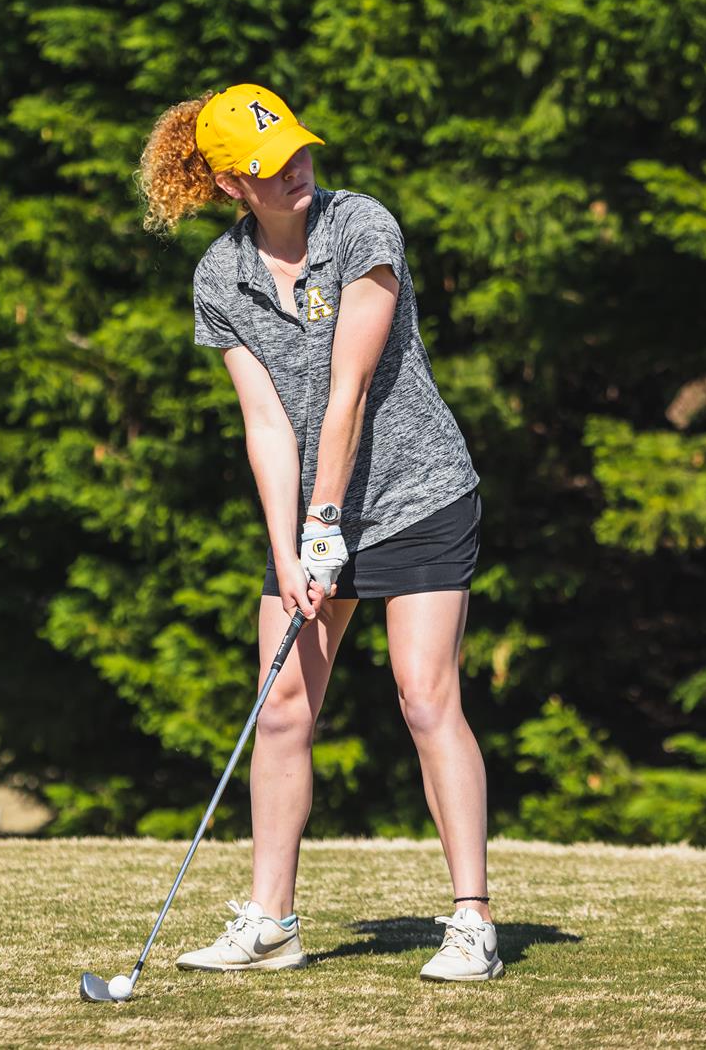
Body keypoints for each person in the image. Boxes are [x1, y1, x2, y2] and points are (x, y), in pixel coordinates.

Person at [136, 83, 501, 983]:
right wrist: (289, 547)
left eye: (298, 150)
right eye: (270, 166)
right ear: (231, 184)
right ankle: (271, 922)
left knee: (425, 697)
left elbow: (350, 389)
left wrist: (324, 523)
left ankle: (473, 922)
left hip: (417, 494)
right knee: (283, 708)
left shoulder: (361, 227)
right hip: (310, 518)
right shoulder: (219, 278)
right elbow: (267, 426)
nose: (295, 170)